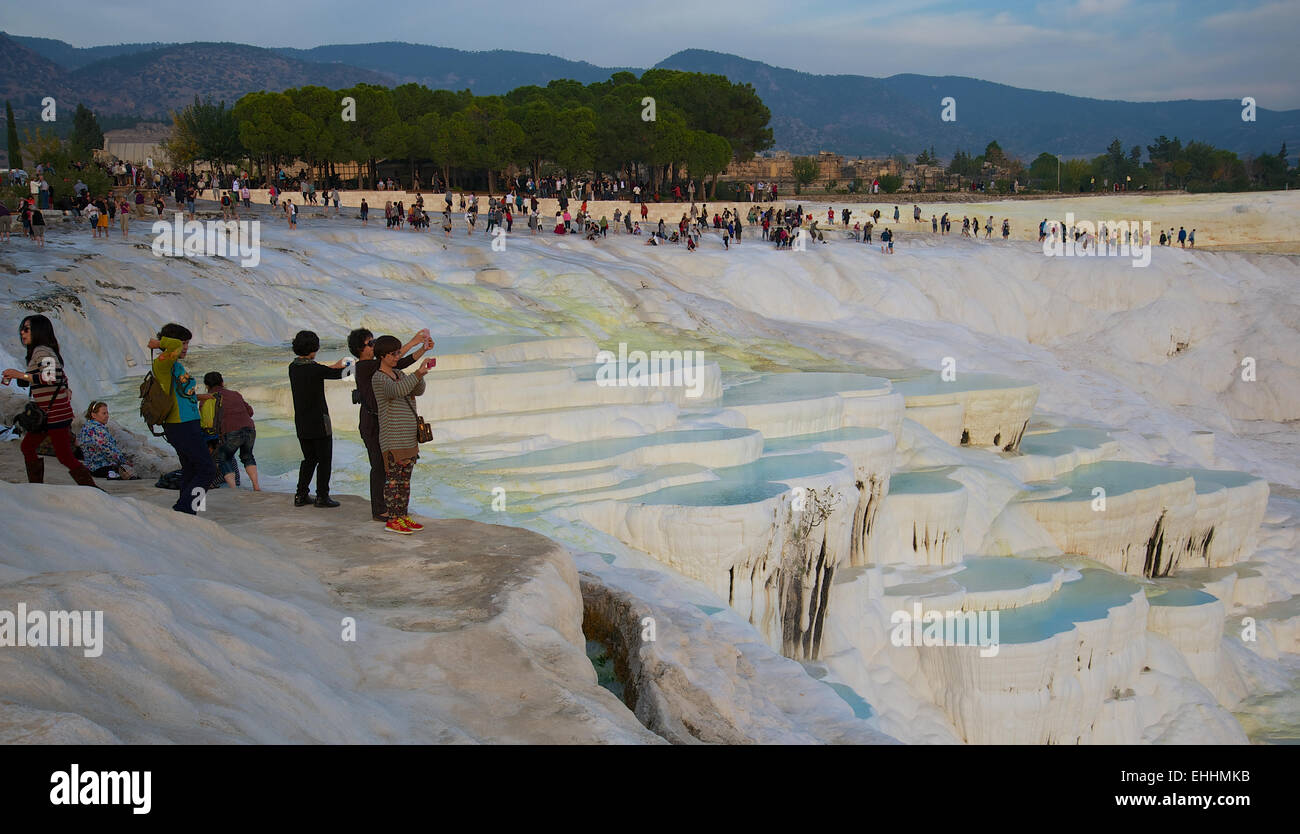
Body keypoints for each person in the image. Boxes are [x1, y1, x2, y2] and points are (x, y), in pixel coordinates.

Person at [3, 316, 100, 488]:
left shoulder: (42, 351)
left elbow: (50, 377)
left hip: (54, 414)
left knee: (64, 456)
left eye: (27, 329)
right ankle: (36, 487)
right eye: (22, 329)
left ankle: (93, 490)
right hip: (49, 414)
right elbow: (60, 375)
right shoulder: (40, 352)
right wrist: (23, 378)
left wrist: (20, 375)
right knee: (29, 447)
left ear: (39, 331)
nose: (22, 332)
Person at [349, 328, 431, 521]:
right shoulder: (365, 367)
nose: (374, 344)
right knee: (380, 466)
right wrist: (414, 343)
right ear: (361, 349)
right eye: (371, 343)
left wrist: (422, 350)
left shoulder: (384, 367)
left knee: (398, 474)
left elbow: (398, 362)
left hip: (387, 422)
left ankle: (397, 511)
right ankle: (381, 510)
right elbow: (396, 360)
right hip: (373, 423)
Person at [148, 323, 216, 512]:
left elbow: (181, 394)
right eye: (184, 343)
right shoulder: (162, 363)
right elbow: (174, 347)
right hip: (180, 425)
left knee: (192, 468)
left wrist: (202, 397)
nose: (185, 347)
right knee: (208, 469)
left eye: (187, 343)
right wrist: (160, 343)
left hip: (187, 423)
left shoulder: (175, 365)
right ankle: (186, 509)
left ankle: (190, 511)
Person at [372, 334, 433, 534]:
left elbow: (419, 390)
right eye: (393, 354)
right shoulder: (379, 378)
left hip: (408, 437)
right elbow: (396, 391)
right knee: (393, 480)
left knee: (405, 481)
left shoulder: (400, 374)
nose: (397, 357)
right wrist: (416, 374)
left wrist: (421, 375)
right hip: (393, 439)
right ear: (382, 356)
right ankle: (392, 519)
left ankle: (403, 516)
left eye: (398, 353)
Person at [288, 330, 346, 507]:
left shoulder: (293, 367)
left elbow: (322, 370)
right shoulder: (315, 369)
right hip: (320, 421)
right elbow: (341, 374)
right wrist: (353, 364)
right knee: (324, 459)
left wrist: (332, 367)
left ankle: (301, 494)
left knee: (309, 459)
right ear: (315, 348)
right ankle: (322, 496)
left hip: (302, 422)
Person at [202, 372, 260, 491]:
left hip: (230, 431)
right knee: (248, 456)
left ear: (206, 386)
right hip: (250, 428)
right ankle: (256, 486)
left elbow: (206, 422)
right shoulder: (235, 394)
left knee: (224, 458)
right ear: (222, 382)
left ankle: (233, 489)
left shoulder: (206, 399)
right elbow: (250, 411)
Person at [77, 401, 139, 480]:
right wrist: (124, 461)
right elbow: (109, 451)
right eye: (104, 413)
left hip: (91, 466)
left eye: (107, 413)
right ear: (93, 415)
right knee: (132, 473)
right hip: (101, 468)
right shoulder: (97, 430)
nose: (107, 416)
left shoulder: (86, 427)